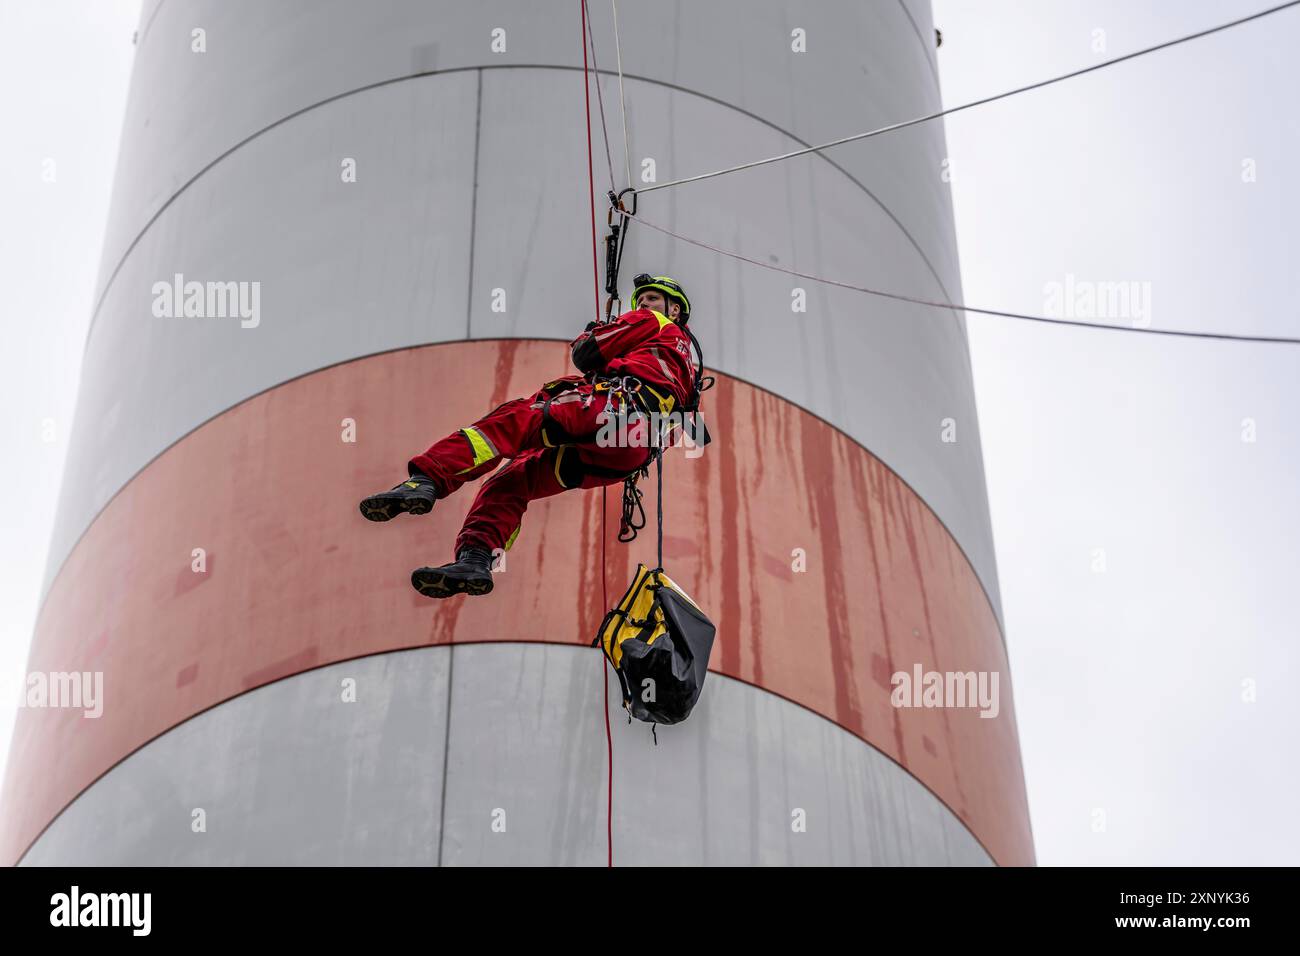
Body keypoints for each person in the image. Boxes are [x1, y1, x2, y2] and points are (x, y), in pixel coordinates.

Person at [359, 274, 698, 598]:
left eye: (652, 299)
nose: (641, 306)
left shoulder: (653, 322)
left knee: (510, 423)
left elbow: (587, 353)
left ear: (674, 310)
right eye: (641, 300)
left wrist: (594, 333)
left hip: (612, 410)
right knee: (514, 481)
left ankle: (427, 478)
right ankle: (475, 560)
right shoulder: (688, 373)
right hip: (626, 450)